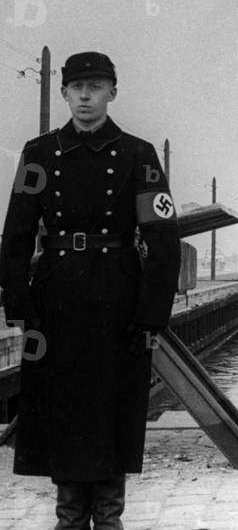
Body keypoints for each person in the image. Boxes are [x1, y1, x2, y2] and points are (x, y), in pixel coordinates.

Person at [0, 52, 181, 529]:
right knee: (61, 403)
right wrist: (18, 304)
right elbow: (16, 234)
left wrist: (151, 313)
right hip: (54, 297)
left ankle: (109, 516)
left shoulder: (138, 156)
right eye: (77, 87)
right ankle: (69, 516)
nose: (85, 96)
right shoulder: (38, 154)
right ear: (63, 93)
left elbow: (163, 239)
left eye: (96, 86)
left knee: (112, 404)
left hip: (117, 294)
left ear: (112, 93)